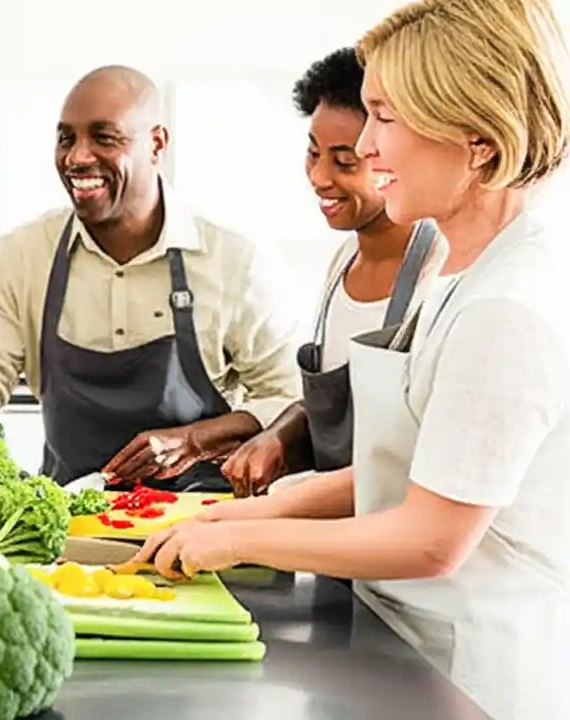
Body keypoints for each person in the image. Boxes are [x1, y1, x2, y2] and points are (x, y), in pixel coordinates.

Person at [135, 1, 569, 717]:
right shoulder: (461, 271)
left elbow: (432, 540)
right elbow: (425, 469)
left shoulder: (507, 307)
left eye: (385, 118)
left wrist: (246, 538)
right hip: (409, 643)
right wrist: (256, 511)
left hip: (475, 676)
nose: (366, 148)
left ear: (479, 140)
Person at [0, 65, 303, 492]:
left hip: (204, 525)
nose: (77, 157)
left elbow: (290, 401)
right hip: (73, 525)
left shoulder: (235, 262)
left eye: (104, 138)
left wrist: (193, 441)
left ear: (157, 143)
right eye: (66, 138)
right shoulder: (25, 255)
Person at [220, 47, 448, 497]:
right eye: (313, 153)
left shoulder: (440, 269)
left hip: (401, 541)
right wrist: (278, 435)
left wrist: (280, 509)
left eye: (345, 161)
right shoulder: (342, 260)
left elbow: (424, 454)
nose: (320, 177)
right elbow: (337, 409)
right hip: (336, 540)